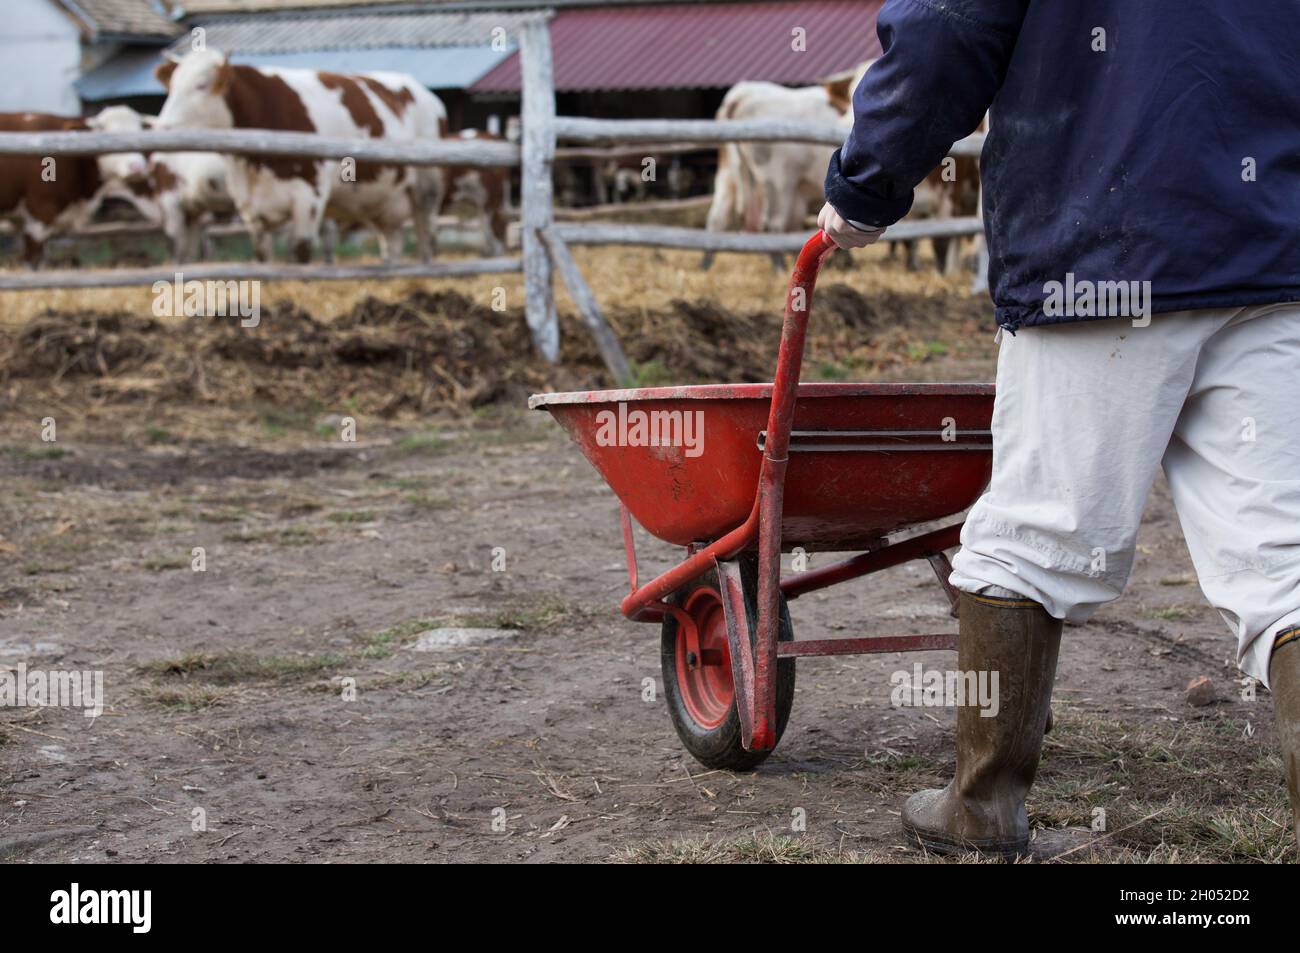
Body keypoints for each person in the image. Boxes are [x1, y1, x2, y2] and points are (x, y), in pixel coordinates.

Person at [819, 0, 1300, 858]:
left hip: (1102, 245)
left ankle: (982, 804)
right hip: (1273, 247)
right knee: (1288, 560)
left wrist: (866, 183)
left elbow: (946, 27)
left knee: (1032, 538)